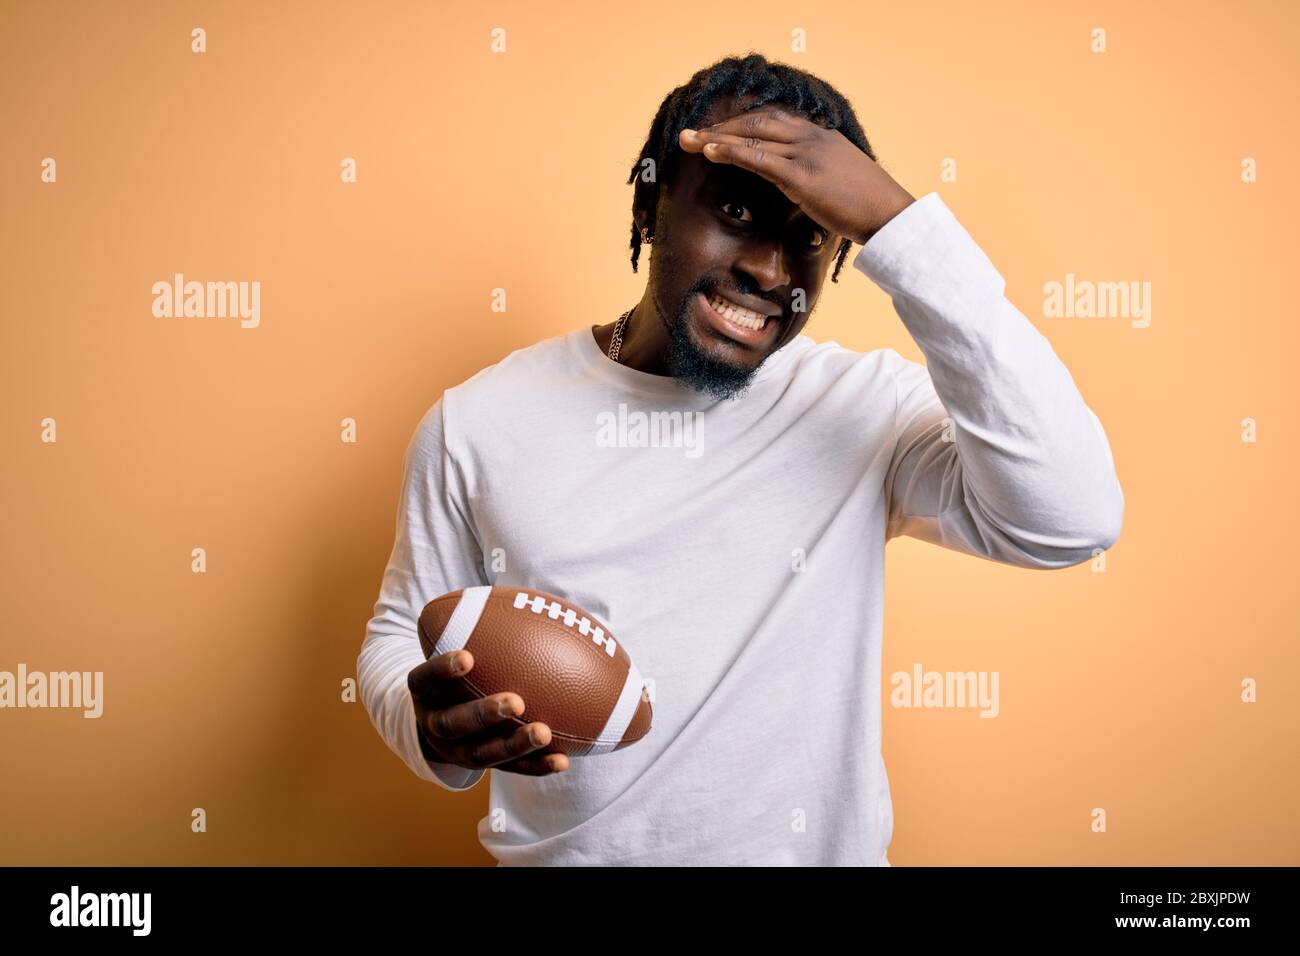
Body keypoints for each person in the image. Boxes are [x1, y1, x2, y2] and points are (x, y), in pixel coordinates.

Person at [357, 53, 1124, 865]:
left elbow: (1070, 519)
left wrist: (901, 226)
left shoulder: (860, 409)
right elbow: (401, 633)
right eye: (735, 211)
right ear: (651, 206)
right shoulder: (481, 421)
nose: (768, 271)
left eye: (810, 238)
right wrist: (431, 731)